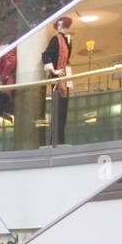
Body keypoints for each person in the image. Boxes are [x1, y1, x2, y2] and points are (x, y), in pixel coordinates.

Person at [42, 15, 73, 146]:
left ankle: (60, 138)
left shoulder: (69, 39)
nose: (64, 28)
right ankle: (55, 139)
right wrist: (54, 70)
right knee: (58, 108)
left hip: (66, 74)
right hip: (59, 75)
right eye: (61, 25)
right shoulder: (56, 40)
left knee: (63, 108)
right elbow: (46, 55)